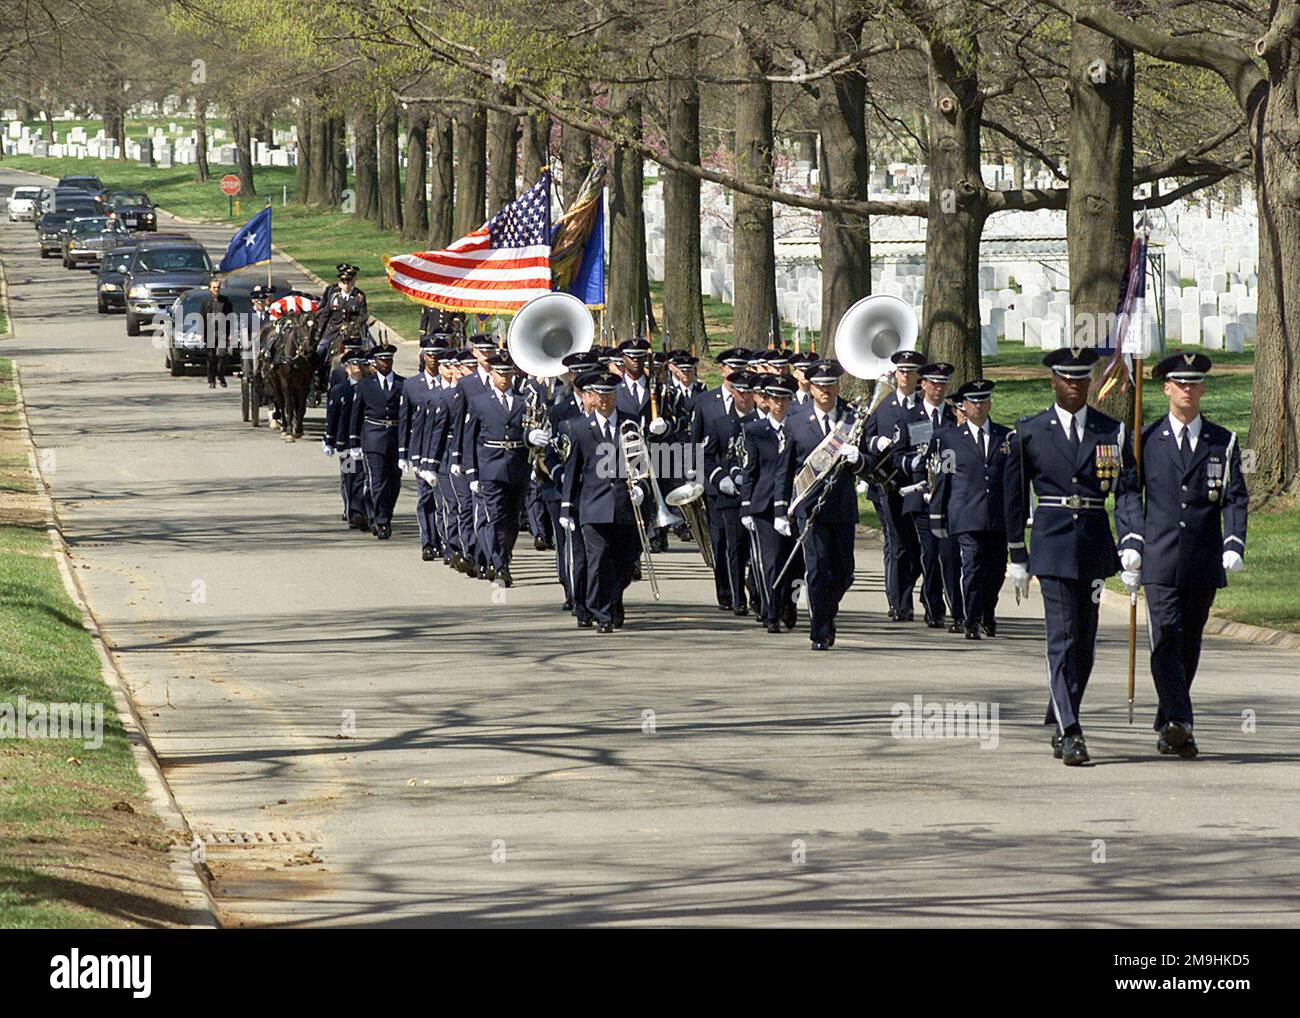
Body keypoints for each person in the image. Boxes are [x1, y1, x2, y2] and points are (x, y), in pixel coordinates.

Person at [1003, 347, 1139, 766]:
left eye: (1082, 380)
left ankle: (1063, 710)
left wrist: (1132, 539)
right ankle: (1071, 730)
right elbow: (1012, 498)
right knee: (1062, 638)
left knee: (1085, 643)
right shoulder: (1029, 432)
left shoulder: (1109, 431)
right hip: (1053, 545)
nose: (1075, 386)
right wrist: (1017, 555)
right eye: (1067, 379)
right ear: (1054, 382)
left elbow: (1128, 489)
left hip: (1095, 546)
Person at [1114, 352, 1248, 759]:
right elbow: (1128, 495)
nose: (1188, 390)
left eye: (1195, 384)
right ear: (1166, 388)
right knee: (1166, 638)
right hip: (1159, 558)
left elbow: (1234, 497)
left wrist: (1234, 541)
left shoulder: (1221, 442)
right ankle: (1182, 723)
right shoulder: (1146, 440)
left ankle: (1168, 721)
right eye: (1180, 383)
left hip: (1203, 559)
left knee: (1189, 644)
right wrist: (1132, 541)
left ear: (1203, 389)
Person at [775, 359, 871, 651]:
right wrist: (781, 509)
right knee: (816, 569)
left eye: (831, 385)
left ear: (838, 386)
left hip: (841, 507)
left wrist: (860, 460)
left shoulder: (852, 420)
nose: (826, 391)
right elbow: (785, 468)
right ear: (811, 387)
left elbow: (869, 464)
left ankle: (827, 609)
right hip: (809, 508)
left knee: (844, 572)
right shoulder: (795, 420)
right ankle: (820, 631)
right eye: (820, 386)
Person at [559, 372, 643, 633]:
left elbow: (639, 462)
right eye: (599, 395)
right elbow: (573, 470)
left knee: (626, 562)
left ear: (615, 395)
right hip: (593, 506)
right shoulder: (581, 429)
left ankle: (614, 600)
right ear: (591, 397)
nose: (604, 400)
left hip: (623, 504)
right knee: (598, 561)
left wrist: (640, 488)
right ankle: (602, 614)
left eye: (609, 394)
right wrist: (566, 507)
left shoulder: (630, 424)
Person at [928, 379, 1011, 640]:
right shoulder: (950, 439)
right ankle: (971, 620)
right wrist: (937, 515)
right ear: (963, 406)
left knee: (996, 571)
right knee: (972, 567)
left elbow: (1012, 479)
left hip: (997, 516)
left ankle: (988, 611)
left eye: (983, 401)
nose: (978, 406)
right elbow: (944, 478)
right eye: (973, 402)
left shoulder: (1005, 436)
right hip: (965, 514)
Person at [897, 361, 964, 630]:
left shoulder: (953, 416)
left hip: (949, 498)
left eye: (942, 383)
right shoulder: (911, 416)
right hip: (921, 497)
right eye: (932, 383)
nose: (937, 388)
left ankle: (952, 605)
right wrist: (915, 465)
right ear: (922, 384)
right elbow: (897, 456)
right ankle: (934, 604)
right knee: (930, 552)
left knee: (948, 555)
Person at [690, 356, 757, 615]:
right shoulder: (708, 406)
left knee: (751, 546)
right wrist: (712, 479)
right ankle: (731, 594)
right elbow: (700, 448)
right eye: (739, 390)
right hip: (721, 489)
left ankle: (753, 592)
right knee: (727, 544)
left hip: (755, 490)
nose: (743, 396)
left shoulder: (759, 419)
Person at [863, 350, 924, 621]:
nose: (906, 376)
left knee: (920, 546)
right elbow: (865, 437)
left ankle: (909, 590)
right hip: (889, 486)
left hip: (919, 486)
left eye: (911, 372)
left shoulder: (922, 408)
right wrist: (875, 443)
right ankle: (899, 602)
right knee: (897, 543)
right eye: (902, 371)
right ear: (896, 374)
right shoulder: (884, 406)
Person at [464, 352, 531, 587]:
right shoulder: (480, 402)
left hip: (517, 465)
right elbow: (469, 439)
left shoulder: (524, 401)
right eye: (500, 373)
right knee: (495, 517)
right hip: (490, 466)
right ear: (492, 374)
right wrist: (471, 472)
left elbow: (529, 432)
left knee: (512, 520)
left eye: (508, 372)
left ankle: (501, 556)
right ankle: (500, 565)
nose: (504, 377)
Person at [739, 374, 800, 633]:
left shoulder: (799, 428)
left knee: (797, 564)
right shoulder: (755, 431)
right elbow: (750, 470)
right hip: (764, 504)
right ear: (767, 400)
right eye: (775, 399)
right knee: (772, 561)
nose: (779, 405)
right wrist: (745, 505)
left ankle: (791, 602)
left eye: (785, 399)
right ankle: (771, 611)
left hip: (794, 503)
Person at [347, 344, 404, 539]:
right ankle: (380, 520)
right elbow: (357, 414)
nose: (386, 363)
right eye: (382, 360)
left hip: (395, 437)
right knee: (377, 481)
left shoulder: (401, 384)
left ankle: (385, 513)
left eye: (388, 360)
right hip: (373, 437)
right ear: (375, 362)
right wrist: (354, 443)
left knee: (394, 482)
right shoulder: (365, 384)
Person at [400, 338, 448, 561]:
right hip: (420, 449)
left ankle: (445, 540)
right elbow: (406, 421)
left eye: (438, 354)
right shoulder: (411, 385)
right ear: (423, 356)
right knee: (426, 498)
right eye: (430, 354)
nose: (434, 358)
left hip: (443, 452)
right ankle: (428, 542)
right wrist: (404, 452)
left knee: (444, 499)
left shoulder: (448, 384)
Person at [324, 350, 370, 529]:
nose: (358, 368)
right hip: (345, 445)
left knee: (365, 477)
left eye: (361, 365)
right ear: (347, 368)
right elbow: (332, 417)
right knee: (348, 477)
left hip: (365, 443)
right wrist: (328, 440)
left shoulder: (370, 388)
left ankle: (363, 512)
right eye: (354, 365)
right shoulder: (339, 391)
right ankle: (352, 510)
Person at [312, 263, 368, 390]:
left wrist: (355, 326)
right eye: (344, 281)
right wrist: (320, 331)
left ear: (353, 281)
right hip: (333, 330)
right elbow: (325, 314)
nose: (347, 284)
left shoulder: (359, 296)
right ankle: (318, 377)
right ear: (340, 283)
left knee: (369, 349)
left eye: (349, 281)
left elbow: (363, 315)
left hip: (353, 331)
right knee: (320, 349)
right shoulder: (334, 296)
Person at [197, 276, 234, 389]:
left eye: (218, 287)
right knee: (211, 357)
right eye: (214, 287)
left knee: (222, 355)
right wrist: (200, 333)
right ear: (210, 288)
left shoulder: (226, 301)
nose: (216, 289)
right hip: (210, 332)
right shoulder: (205, 301)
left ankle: (221, 376)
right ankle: (211, 379)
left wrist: (231, 333)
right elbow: (201, 318)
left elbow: (230, 318)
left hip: (222, 332)